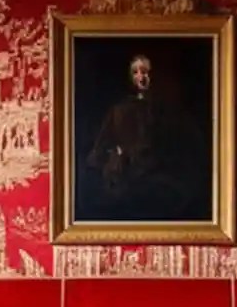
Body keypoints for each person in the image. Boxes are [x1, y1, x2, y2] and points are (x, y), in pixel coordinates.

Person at [85, 54, 206, 221]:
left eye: (145, 72)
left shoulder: (168, 111)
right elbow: (99, 151)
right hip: (127, 180)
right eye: (136, 72)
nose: (141, 77)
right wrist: (116, 156)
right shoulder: (119, 110)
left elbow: (185, 149)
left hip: (160, 182)